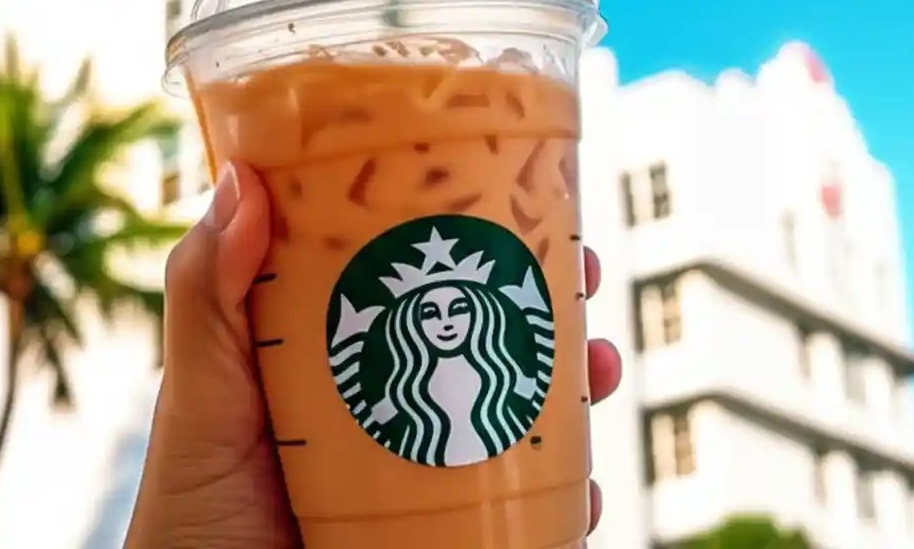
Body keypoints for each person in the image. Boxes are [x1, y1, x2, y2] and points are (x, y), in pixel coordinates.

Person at [125, 161, 623, 547]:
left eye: (458, 308)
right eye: (429, 313)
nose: (446, 323)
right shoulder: (403, 396)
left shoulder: (501, 384)